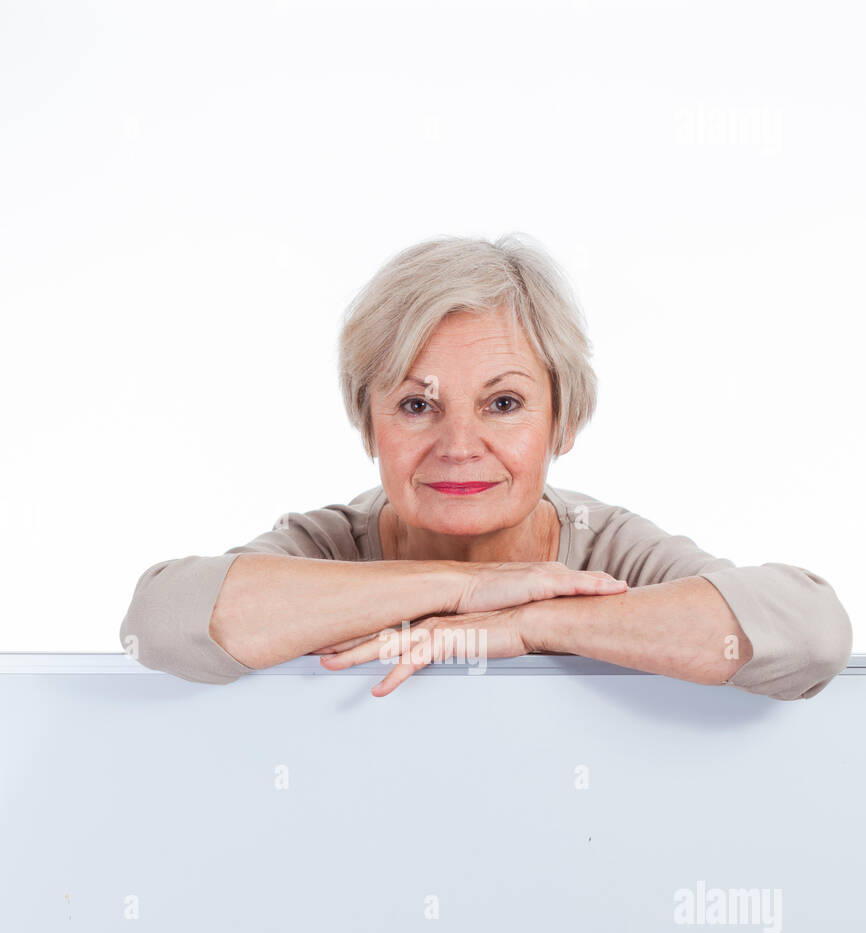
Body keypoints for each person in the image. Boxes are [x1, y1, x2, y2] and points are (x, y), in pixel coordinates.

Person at [119, 234, 852, 699]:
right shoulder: (327, 545)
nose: (459, 445)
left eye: (503, 404)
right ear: (367, 424)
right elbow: (159, 621)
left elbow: (811, 635)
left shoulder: (604, 548)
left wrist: (530, 625)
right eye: (415, 406)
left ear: (562, 423)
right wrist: (469, 588)